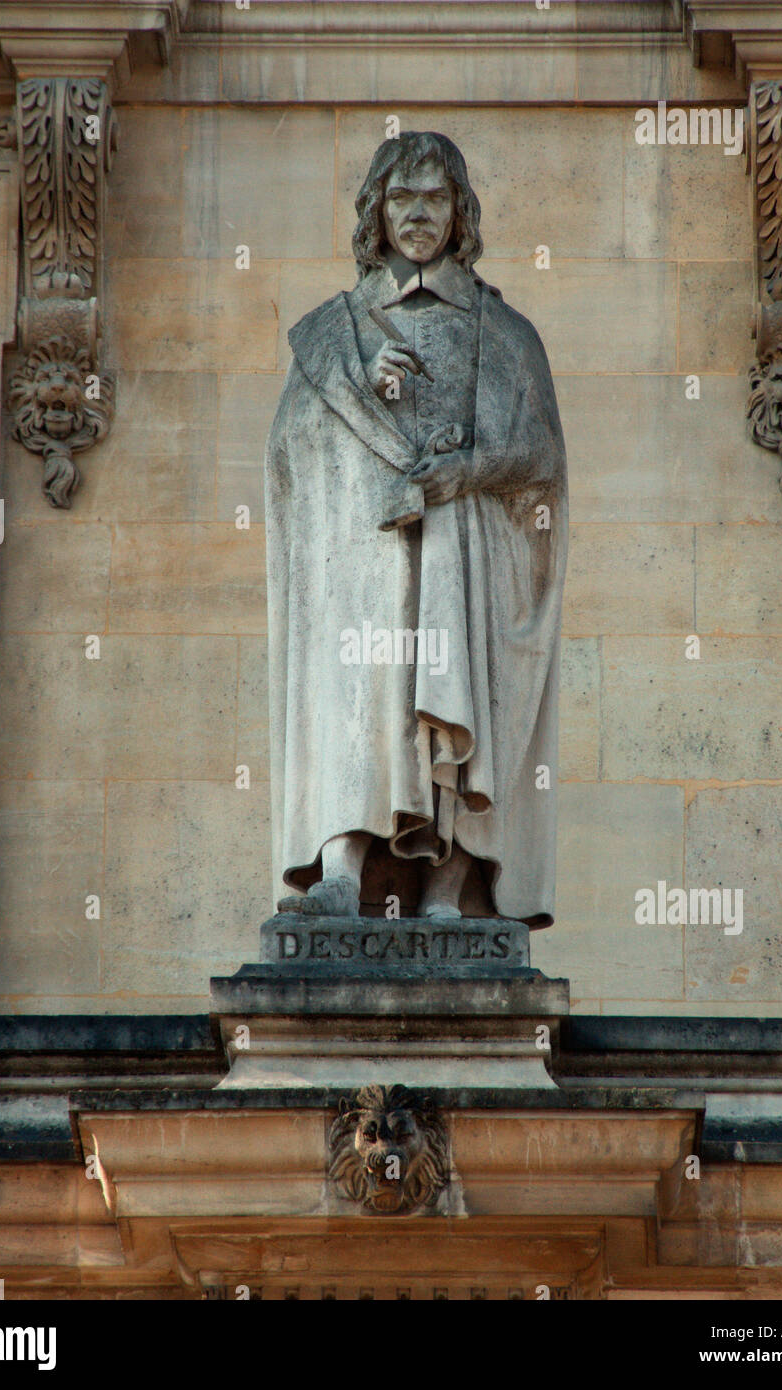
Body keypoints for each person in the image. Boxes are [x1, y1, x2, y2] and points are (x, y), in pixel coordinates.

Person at [265, 131, 568, 926]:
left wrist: (465, 471)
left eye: (435, 198)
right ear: (376, 212)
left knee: (465, 698)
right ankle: (340, 865)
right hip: (365, 564)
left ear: (459, 213)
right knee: (360, 695)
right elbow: (290, 461)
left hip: (467, 557)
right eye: (402, 198)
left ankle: (448, 890)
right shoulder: (335, 335)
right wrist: (355, 408)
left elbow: (541, 458)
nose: (418, 215)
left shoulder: (503, 333)